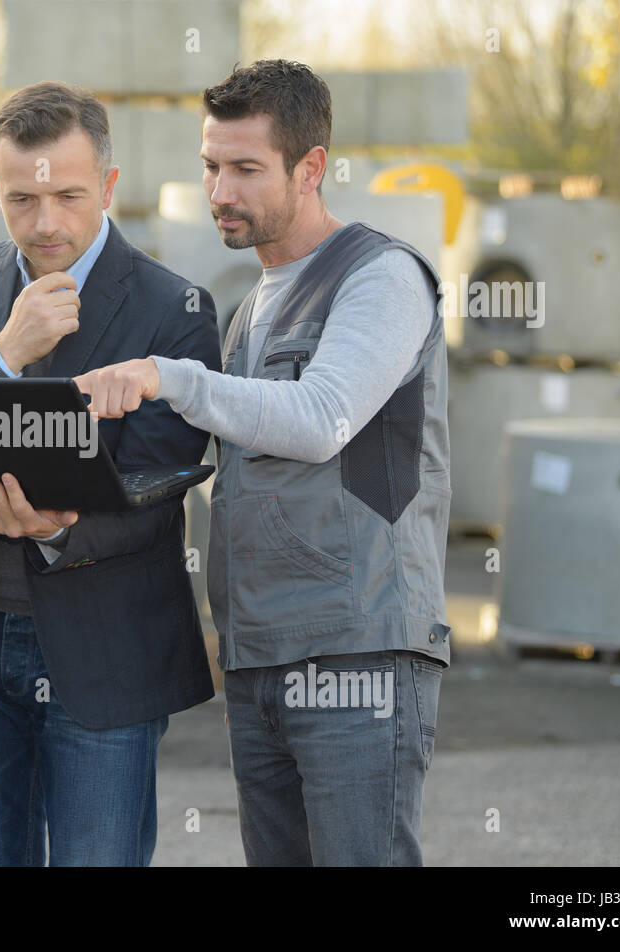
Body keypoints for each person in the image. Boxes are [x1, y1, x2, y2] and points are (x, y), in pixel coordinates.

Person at [74, 59, 451, 866]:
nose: (220, 192)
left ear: (310, 169)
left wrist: (169, 377)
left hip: (360, 654)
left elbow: (320, 420)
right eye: (211, 166)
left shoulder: (380, 277)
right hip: (262, 657)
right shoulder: (252, 310)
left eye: (246, 169)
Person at [0, 81, 222, 866]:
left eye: (69, 196)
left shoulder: (172, 309)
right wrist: (6, 353)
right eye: (20, 200)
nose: (45, 223)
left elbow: (164, 478)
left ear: (109, 186)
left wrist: (53, 529)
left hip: (106, 645)